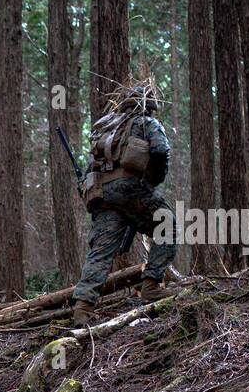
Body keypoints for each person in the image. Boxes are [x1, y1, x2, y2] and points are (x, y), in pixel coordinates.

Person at [71, 78, 176, 326]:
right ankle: (151, 284)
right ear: (148, 106)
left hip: (104, 196)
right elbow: (160, 151)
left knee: (100, 251)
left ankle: (83, 309)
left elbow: (91, 168)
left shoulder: (108, 130)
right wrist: (155, 179)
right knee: (167, 224)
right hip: (131, 189)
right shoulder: (147, 123)